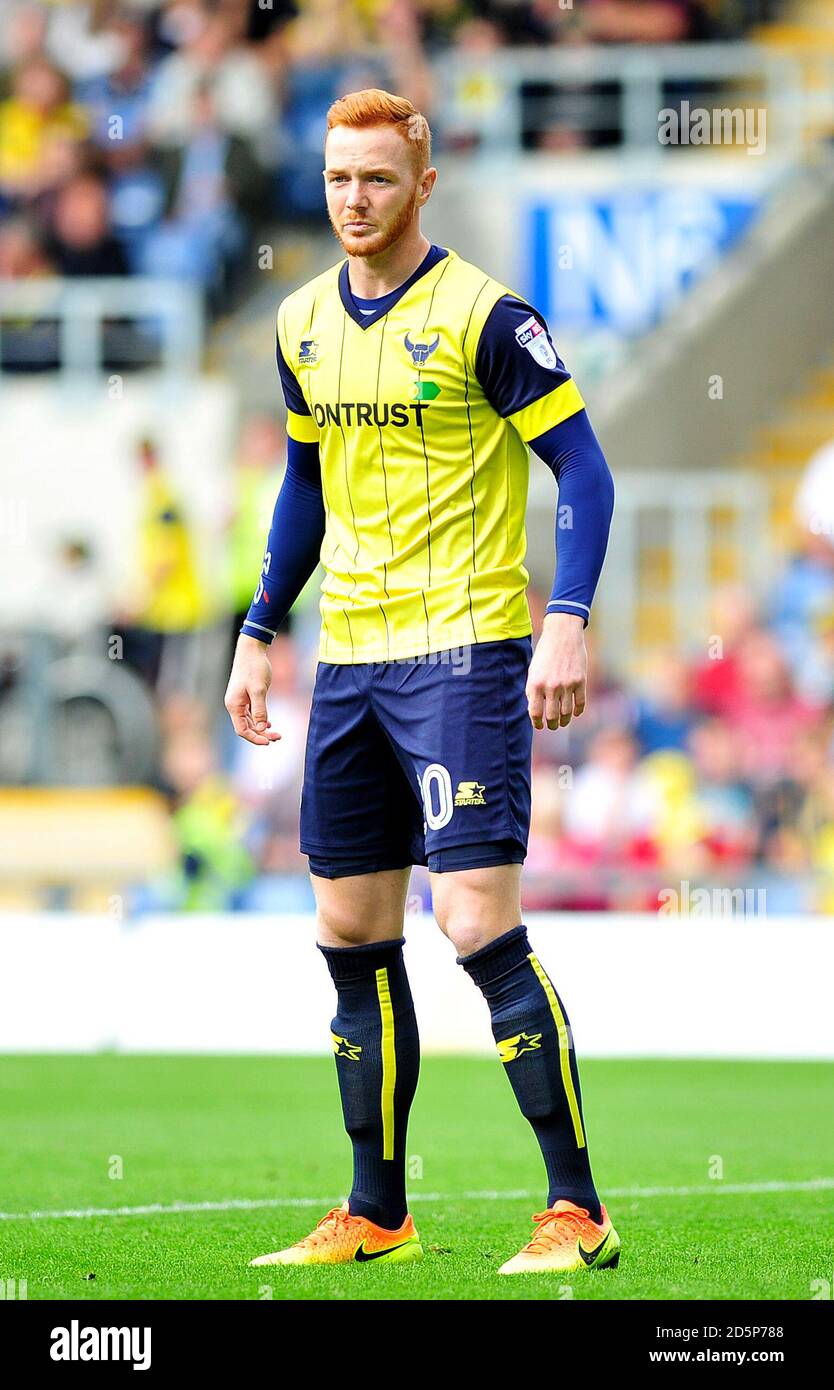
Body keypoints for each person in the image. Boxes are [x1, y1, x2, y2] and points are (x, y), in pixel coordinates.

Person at [224, 88, 617, 1275]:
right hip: (348, 655)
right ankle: (376, 1211)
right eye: (340, 178)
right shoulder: (298, 323)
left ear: (423, 185)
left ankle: (576, 1205)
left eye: (379, 179)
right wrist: (258, 626)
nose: (355, 199)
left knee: (473, 920)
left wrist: (565, 619)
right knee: (349, 928)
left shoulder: (490, 318)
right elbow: (306, 485)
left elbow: (584, 474)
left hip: (464, 647)